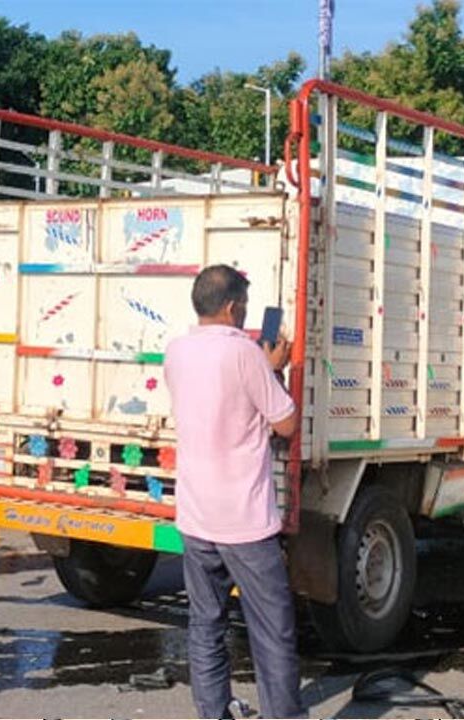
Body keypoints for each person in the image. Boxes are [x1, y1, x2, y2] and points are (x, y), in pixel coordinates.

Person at [164, 265, 303, 719]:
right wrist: (273, 370)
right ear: (231, 307)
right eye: (242, 305)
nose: (244, 313)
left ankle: (213, 713)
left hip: (196, 515)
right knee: (272, 630)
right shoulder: (244, 354)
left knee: (205, 624)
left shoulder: (176, 351)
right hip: (245, 521)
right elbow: (286, 422)